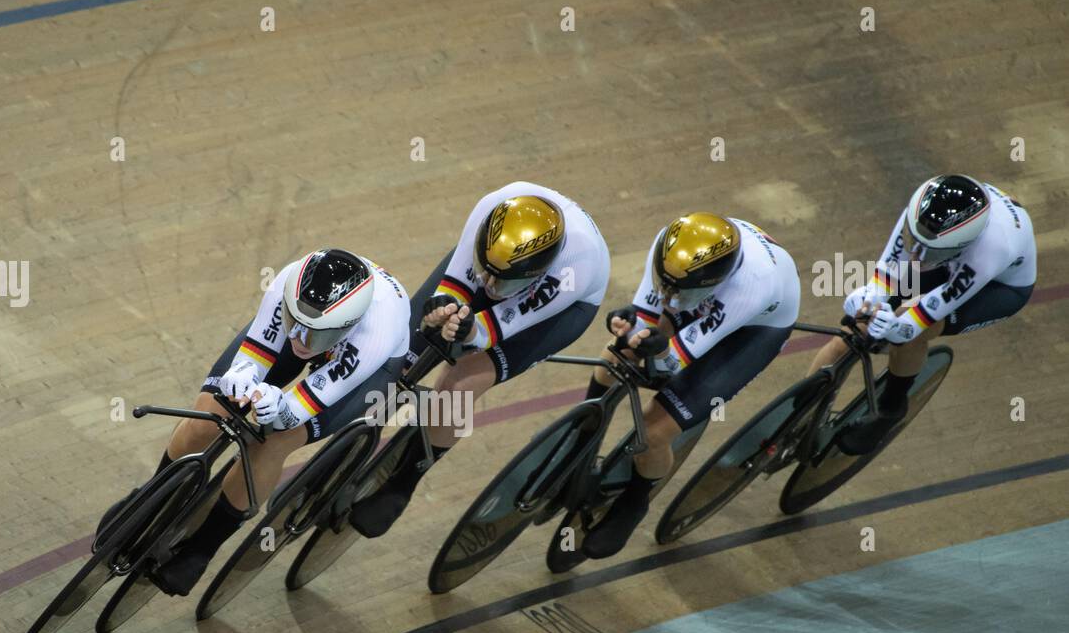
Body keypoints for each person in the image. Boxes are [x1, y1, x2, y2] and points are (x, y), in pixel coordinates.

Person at [99, 248, 411, 595]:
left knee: (271, 441)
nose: (299, 342)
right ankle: (154, 496)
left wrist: (277, 407)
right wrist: (243, 376)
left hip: (366, 369)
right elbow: (257, 352)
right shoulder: (287, 286)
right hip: (314, 318)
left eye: (313, 336)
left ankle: (203, 547)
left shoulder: (375, 334)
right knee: (211, 412)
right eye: (295, 326)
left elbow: (295, 410)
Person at [348, 180, 611, 536]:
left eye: (498, 283)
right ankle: (351, 440)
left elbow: (489, 331)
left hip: (558, 310)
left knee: (466, 377)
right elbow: (454, 283)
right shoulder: (491, 207)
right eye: (484, 271)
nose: (487, 284)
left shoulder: (571, 274)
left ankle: (406, 479)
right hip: (505, 262)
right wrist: (440, 309)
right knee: (404, 344)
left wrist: (469, 331)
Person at [581, 213, 800, 558]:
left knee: (654, 430)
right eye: (664, 283)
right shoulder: (671, 247)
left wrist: (659, 347)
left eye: (674, 289)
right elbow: (649, 313)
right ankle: (580, 444)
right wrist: (630, 322)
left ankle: (635, 502)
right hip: (704, 293)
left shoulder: (753, 286)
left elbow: (671, 364)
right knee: (615, 355)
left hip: (754, 328)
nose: (666, 294)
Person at [808, 175, 1037, 454]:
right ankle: (800, 413)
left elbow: (918, 319)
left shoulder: (991, 252)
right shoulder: (921, 213)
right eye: (914, 241)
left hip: (997, 287)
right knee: (854, 331)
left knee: (912, 334)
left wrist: (895, 327)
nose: (915, 256)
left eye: (924, 250)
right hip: (945, 257)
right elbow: (887, 271)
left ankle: (891, 409)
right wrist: (868, 298)